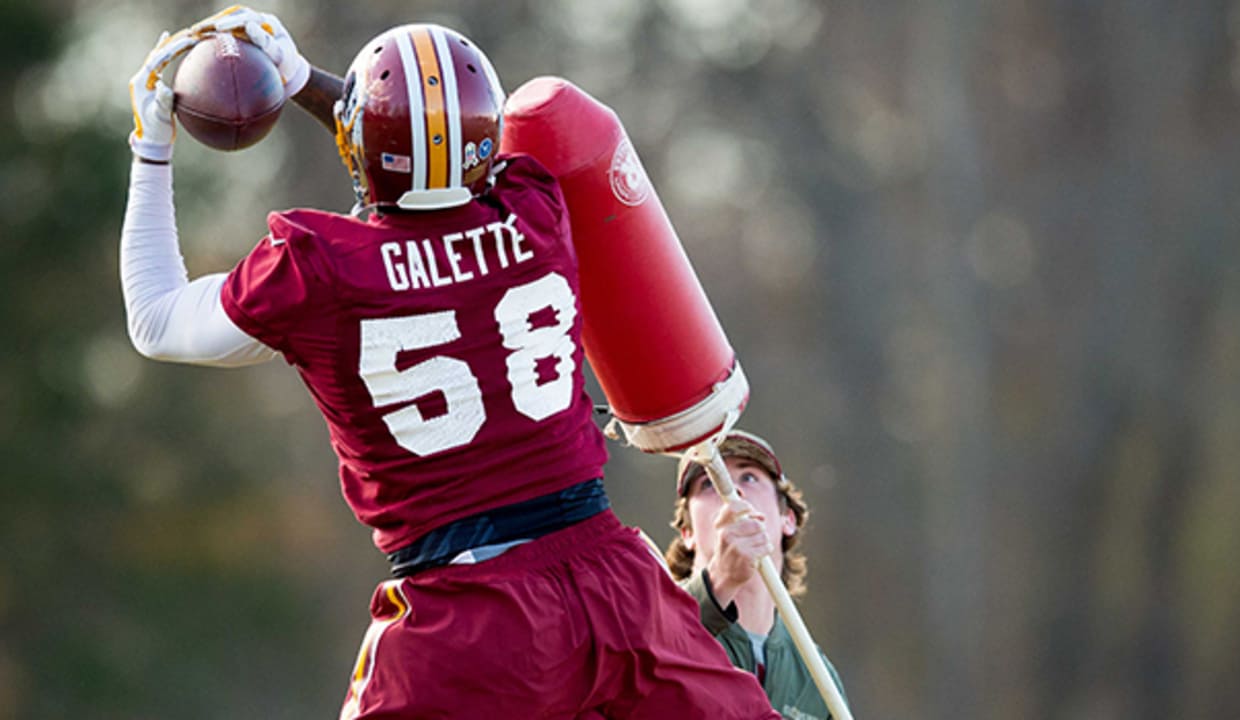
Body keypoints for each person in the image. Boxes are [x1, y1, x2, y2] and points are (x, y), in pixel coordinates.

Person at [122, 8, 782, 718]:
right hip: (616, 585)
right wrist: (307, 80)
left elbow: (155, 319)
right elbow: (439, 151)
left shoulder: (320, 272)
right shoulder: (536, 212)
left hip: (471, 617)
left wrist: (151, 142)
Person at [665, 430, 850, 719]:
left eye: (748, 477)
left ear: (787, 519)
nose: (731, 491)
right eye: (708, 484)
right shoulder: (645, 624)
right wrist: (717, 584)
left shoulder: (815, 675)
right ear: (686, 533)